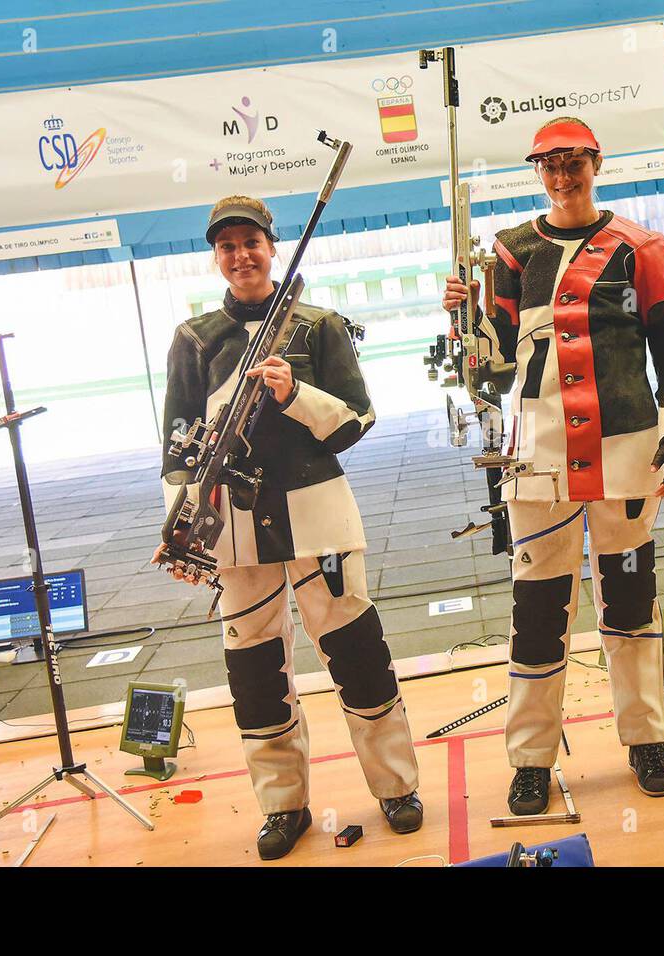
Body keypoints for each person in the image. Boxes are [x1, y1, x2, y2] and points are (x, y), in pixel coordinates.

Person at [154, 195, 422, 859]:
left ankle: (396, 786)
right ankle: (282, 805)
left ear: (272, 247)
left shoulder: (319, 327)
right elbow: (175, 447)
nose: (241, 255)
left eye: (252, 241)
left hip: (318, 520)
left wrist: (293, 396)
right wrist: (189, 525)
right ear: (215, 256)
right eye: (227, 245)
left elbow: (357, 421)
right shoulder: (195, 339)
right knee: (255, 673)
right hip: (234, 531)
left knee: (358, 654)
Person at [442, 117, 664, 814]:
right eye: (550, 165)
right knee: (537, 613)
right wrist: (464, 323)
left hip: (628, 458)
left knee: (632, 608)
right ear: (538, 173)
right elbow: (490, 373)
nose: (563, 175)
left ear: (596, 162)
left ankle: (646, 739)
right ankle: (530, 758)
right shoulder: (511, 252)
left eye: (574, 162)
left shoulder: (641, 248)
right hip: (536, 461)